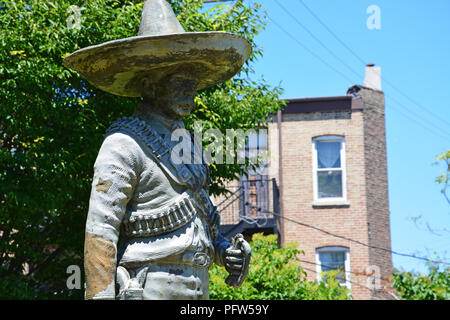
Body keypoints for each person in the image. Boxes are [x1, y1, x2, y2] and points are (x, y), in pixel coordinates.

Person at [63, 0, 252, 300]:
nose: (190, 90)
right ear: (149, 86)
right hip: (148, 285)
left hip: (199, 285)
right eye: (179, 81)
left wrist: (225, 252)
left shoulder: (189, 145)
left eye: (192, 82)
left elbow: (204, 219)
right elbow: (101, 232)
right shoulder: (123, 142)